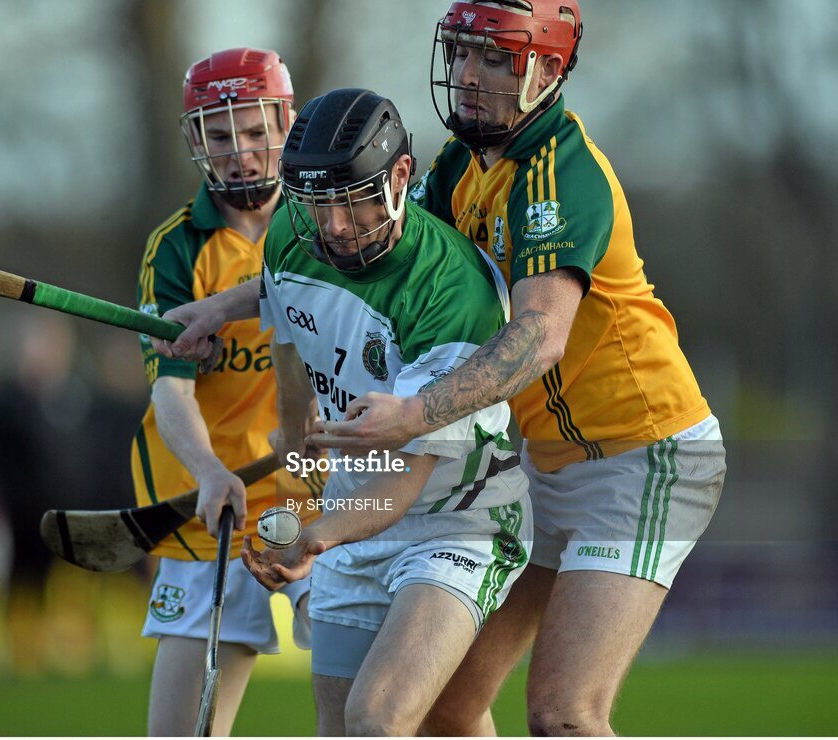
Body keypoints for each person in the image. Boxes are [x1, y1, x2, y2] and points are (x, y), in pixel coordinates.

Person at [304, 2, 727, 735]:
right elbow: (375, 253)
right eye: (464, 53)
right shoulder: (458, 166)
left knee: (564, 713)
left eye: (496, 58)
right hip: (539, 469)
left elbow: (539, 337)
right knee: (445, 707)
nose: (468, 75)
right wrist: (231, 308)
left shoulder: (561, 173)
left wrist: (414, 414)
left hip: (640, 456)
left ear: (549, 70)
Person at [172, 87, 532, 736]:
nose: (334, 228)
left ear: (399, 178)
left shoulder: (453, 293)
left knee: (378, 720)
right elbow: (288, 340)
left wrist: (316, 533)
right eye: (316, 205)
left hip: (456, 523)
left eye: (353, 203)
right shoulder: (289, 237)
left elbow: (404, 479)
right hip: (353, 508)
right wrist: (292, 431)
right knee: (355, 729)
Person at [130, 47, 320, 736]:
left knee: (381, 710)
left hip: (324, 501)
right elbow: (170, 393)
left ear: (286, 123)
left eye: (253, 129)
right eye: (219, 134)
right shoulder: (178, 249)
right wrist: (209, 471)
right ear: (196, 142)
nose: (239, 151)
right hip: (214, 506)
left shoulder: (325, 224)